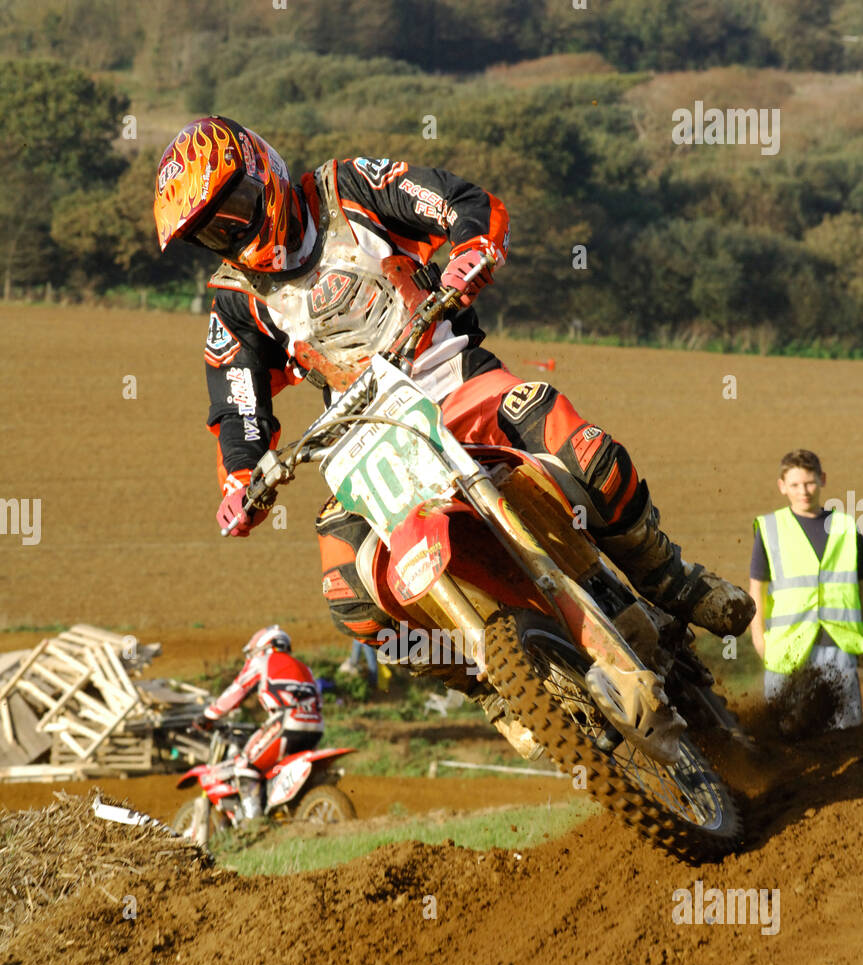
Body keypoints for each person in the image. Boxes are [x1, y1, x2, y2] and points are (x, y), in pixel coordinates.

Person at [153, 115, 754, 674]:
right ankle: (490, 687)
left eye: (230, 207)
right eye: (209, 231)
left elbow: (461, 203)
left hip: (452, 376)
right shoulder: (236, 298)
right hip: (361, 439)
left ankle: (670, 577)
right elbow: (237, 404)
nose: (229, 230)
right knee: (350, 594)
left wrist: (470, 249)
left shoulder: (347, 188)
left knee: (579, 448)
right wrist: (240, 480)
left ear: (263, 172)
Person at [749, 449, 863, 731]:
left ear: (822, 479)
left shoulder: (848, 529)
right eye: (796, 484)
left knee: (845, 741)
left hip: (840, 647)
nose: (804, 491)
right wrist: (759, 640)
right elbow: (756, 592)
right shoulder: (770, 529)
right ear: (782, 486)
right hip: (786, 651)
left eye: (810, 482)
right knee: (786, 741)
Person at [198, 625, 324, 818]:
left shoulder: (262, 661)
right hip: (316, 724)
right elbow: (318, 700)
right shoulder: (305, 668)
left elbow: (237, 690)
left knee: (245, 764)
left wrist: (209, 715)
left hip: (286, 721)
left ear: (262, 646)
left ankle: (253, 821)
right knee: (271, 767)